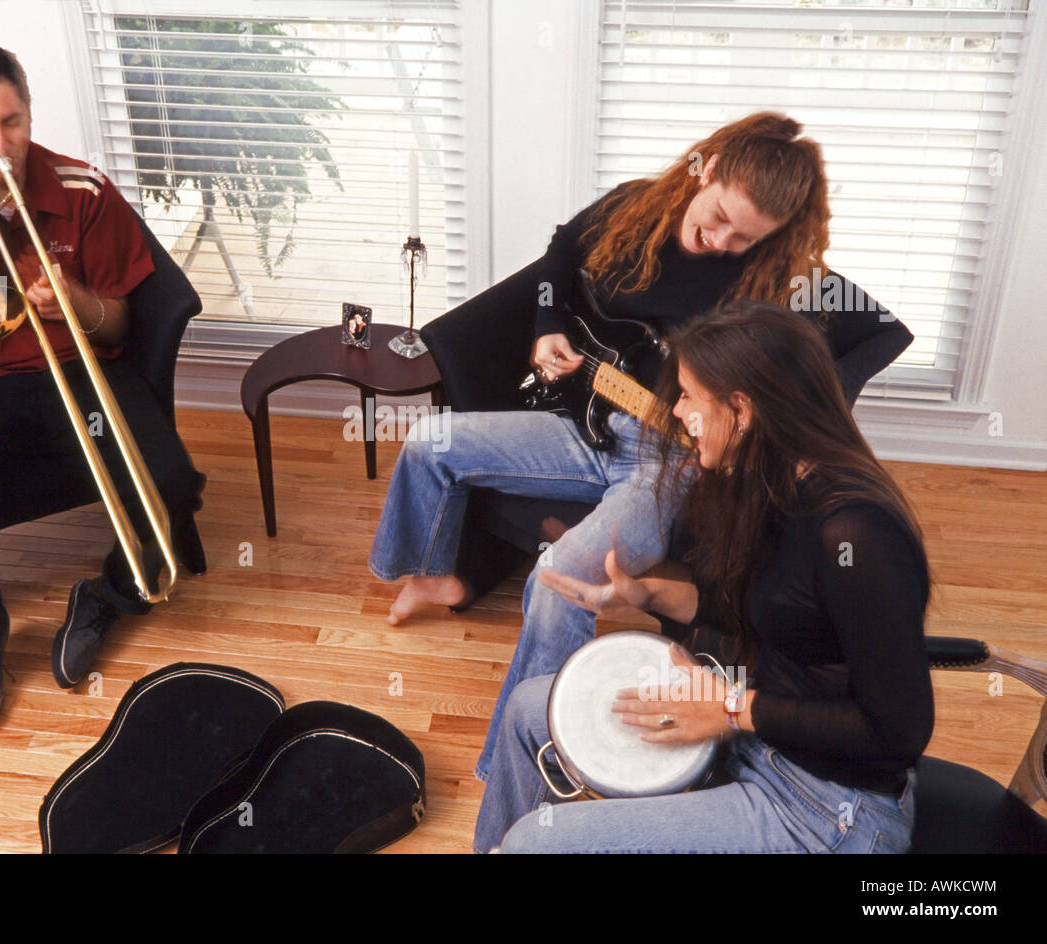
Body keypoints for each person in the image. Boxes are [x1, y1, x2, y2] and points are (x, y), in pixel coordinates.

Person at [366, 112, 913, 781]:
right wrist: (543, 328)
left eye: (744, 238)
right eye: (716, 217)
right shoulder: (637, 206)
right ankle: (438, 573)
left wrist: (808, 400)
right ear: (704, 168)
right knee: (430, 440)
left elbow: (886, 333)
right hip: (589, 424)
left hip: (668, 466)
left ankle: (533, 752)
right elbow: (559, 257)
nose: (719, 241)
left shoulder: (786, 274)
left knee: (558, 582)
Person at [473, 301, 933, 853]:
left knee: (534, 844)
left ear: (740, 411)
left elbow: (898, 732)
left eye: (689, 395)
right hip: (757, 737)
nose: (675, 409)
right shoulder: (773, 483)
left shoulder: (855, 537)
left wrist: (733, 708)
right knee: (530, 708)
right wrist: (648, 594)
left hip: (828, 809)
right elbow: (774, 607)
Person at [0, 42, 206, 726]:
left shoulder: (81, 189)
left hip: (77, 367)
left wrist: (75, 300)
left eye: (12, 121)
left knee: (176, 486)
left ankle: (107, 596)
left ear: (30, 111)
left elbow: (121, 317)